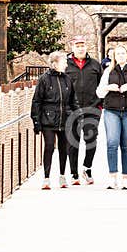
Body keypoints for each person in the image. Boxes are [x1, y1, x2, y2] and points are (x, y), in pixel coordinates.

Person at [97, 45, 127, 189]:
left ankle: (126, 177)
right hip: (111, 110)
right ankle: (112, 176)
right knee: (112, 142)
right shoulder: (108, 71)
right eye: (118, 54)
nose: (120, 55)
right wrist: (107, 88)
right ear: (114, 56)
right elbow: (99, 92)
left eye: (123, 53)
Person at [31, 51, 79, 190]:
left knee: (64, 148)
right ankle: (46, 178)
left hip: (65, 118)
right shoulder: (44, 79)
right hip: (48, 118)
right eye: (63, 62)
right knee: (49, 146)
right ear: (54, 63)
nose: (66, 64)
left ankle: (62, 176)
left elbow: (73, 100)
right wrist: (36, 121)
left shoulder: (67, 79)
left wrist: (77, 116)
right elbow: (37, 101)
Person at [65, 35, 103, 185]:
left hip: (92, 108)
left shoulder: (95, 65)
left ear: (86, 47)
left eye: (82, 45)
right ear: (72, 48)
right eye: (77, 45)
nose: (80, 48)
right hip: (72, 109)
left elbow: (102, 85)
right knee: (72, 142)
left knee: (91, 140)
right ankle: (74, 173)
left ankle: (87, 169)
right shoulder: (66, 65)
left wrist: (100, 104)